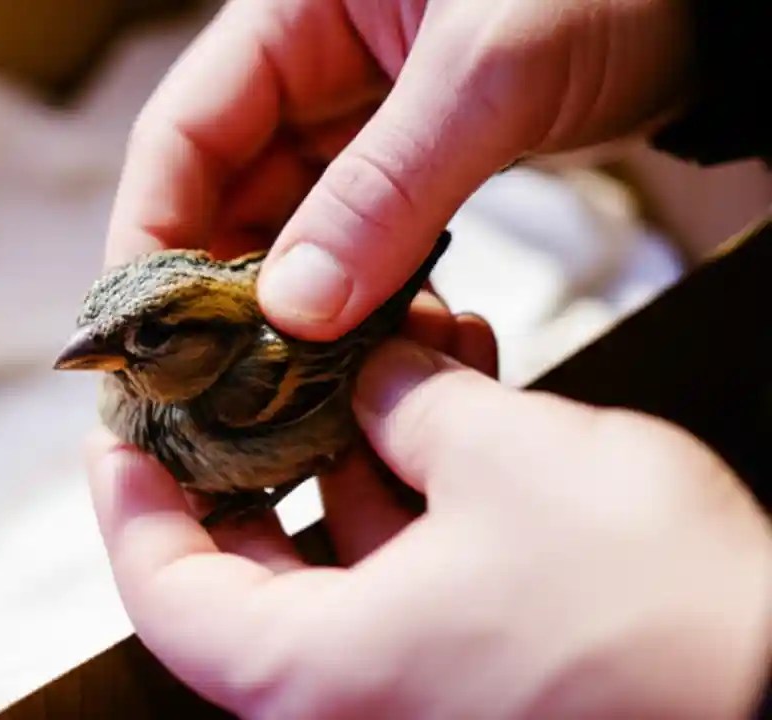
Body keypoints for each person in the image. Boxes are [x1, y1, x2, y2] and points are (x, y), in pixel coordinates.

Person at [86, 0, 772, 717]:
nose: (101, 358)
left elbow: (345, 344)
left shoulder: (234, 391)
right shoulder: (147, 385)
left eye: (148, 341)